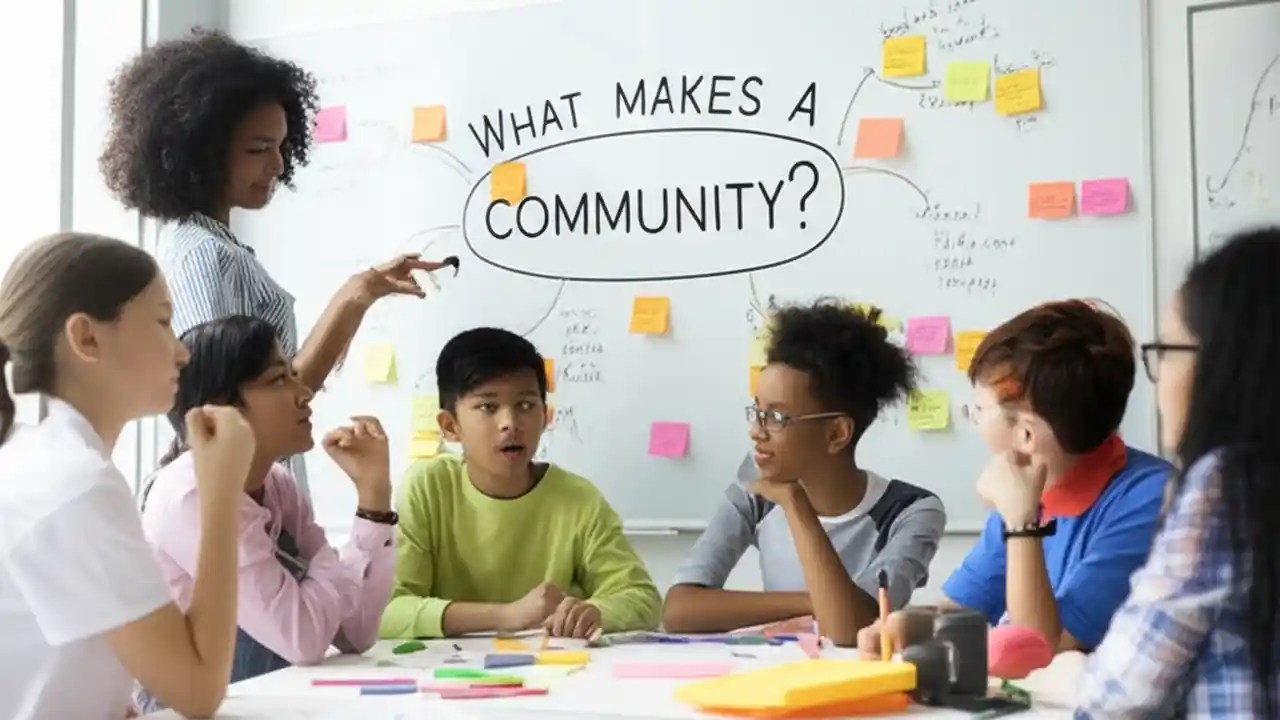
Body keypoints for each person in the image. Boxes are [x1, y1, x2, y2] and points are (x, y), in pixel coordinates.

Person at [100, 29, 446, 494]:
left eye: (282, 146)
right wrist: (355, 296)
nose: (278, 166)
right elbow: (225, 405)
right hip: (241, 500)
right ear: (203, 152)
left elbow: (261, 388)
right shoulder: (203, 255)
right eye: (259, 150)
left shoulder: (216, 246)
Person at [0, 233, 254, 719]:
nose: (182, 352)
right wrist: (221, 491)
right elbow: (199, 691)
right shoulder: (73, 482)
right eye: (163, 321)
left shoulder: (39, 458)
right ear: (86, 337)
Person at [859, 300, 1172, 657]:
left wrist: (1022, 524)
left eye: (978, 410)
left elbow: (1041, 649)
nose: (974, 422)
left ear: (1026, 436)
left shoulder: (1154, 501)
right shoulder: (1029, 490)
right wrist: (907, 624)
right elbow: (963, 608)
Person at [136, 316, 396, 708]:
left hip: (259, 698)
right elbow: (304, 639)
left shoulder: (276, 484)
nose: (305, 392)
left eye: (293, 374)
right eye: (279, 379)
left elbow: (355, 631)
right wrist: (327, 562)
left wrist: (374, 497)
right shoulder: (191, 496)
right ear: (220, 410)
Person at [1078, 228, 1280, 717]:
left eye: (1167, 350)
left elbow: (1117, 695)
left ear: (1229, 363)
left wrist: (1072, 675)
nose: (1159, 375)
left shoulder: (1227, 487)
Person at [663, 301, 946, 647]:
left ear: (836, 434)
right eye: (756, 411)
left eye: (777, 418)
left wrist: (795, 502)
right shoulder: (754, 490)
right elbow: (680, 610)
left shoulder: (911, 512)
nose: (756, 430)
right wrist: (816, 603)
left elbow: (848, 630)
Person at [379, 327, 660, 639]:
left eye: (525, 405)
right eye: (488, 407)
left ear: (545, 414)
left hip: (557, 674)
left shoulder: (578, 499)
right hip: (447, 675)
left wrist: (595, 611)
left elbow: (642, 598)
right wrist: (507, 615)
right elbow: (387, 610)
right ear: (450, 426)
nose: (510, 423)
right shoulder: (428, 488)